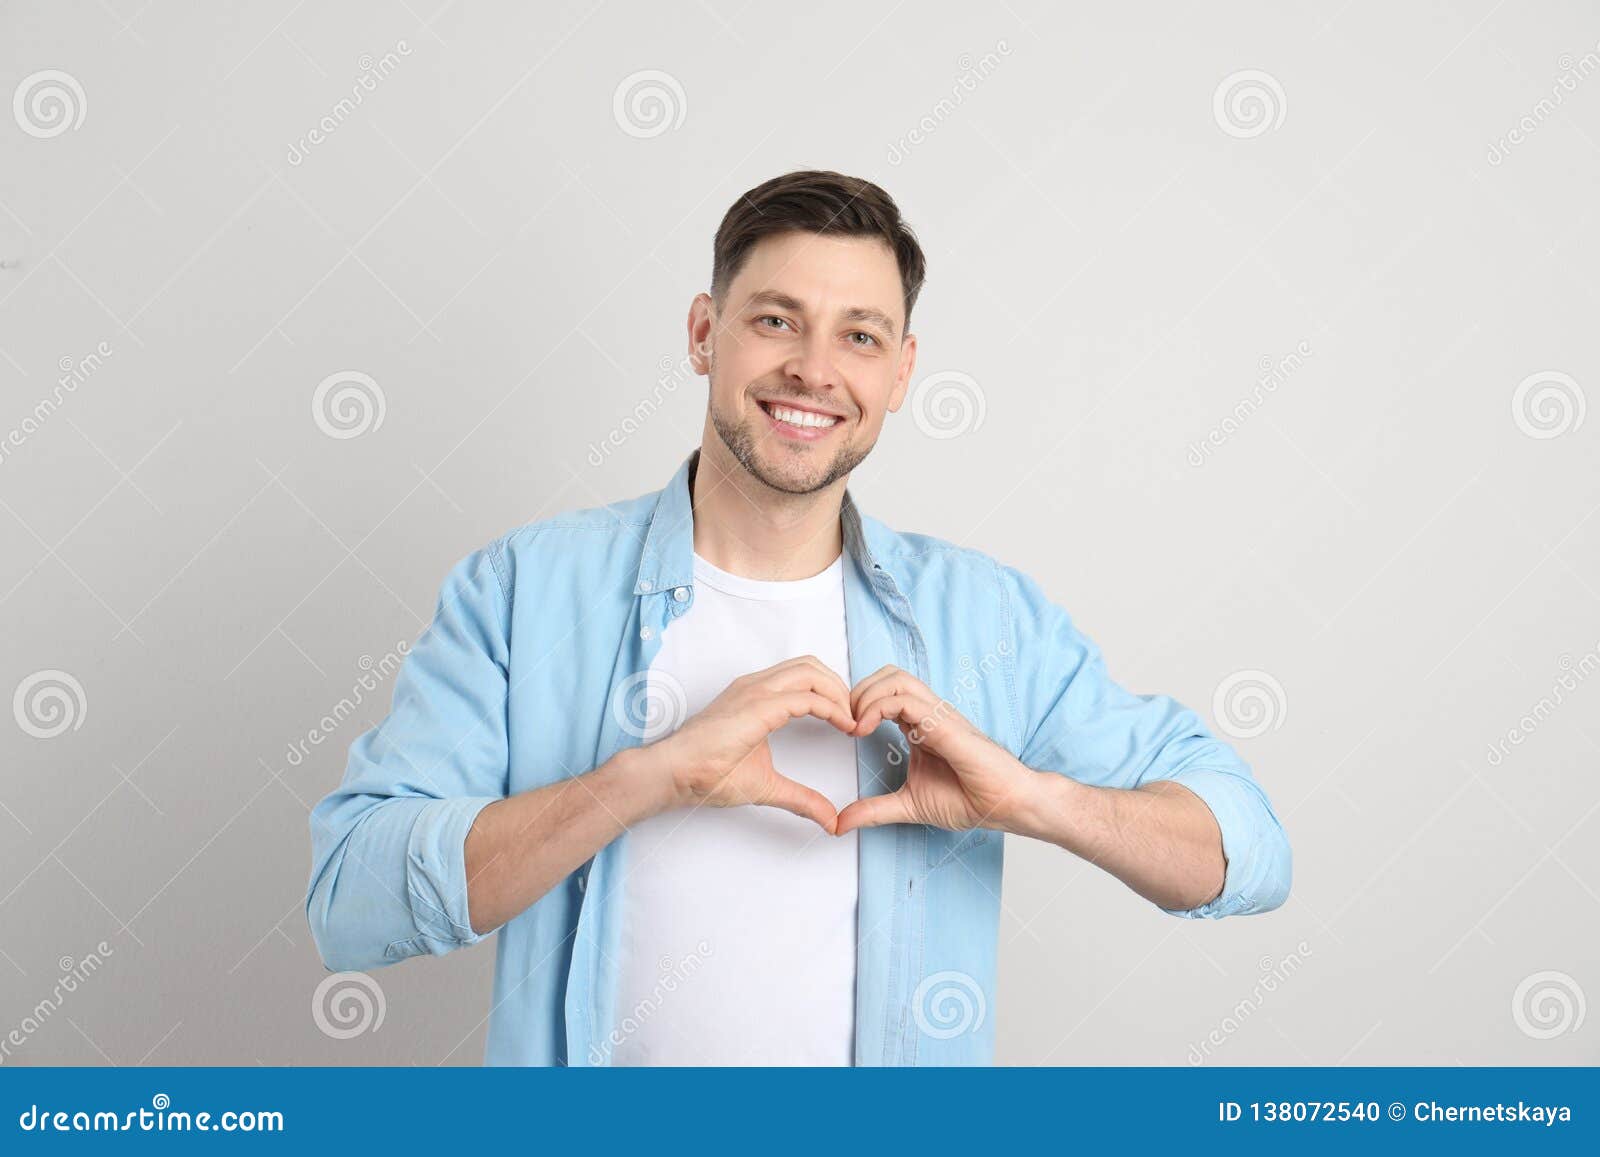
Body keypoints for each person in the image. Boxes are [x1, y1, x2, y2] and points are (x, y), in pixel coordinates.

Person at [305, 169, 1292, 1067]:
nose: (815, 371)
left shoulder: (986, 618)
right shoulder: (524, 589)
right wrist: (645, 778)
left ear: (900, 372)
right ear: (704, 332)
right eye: (777, 320)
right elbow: (351, 899)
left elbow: (1244, 849)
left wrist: (1030, 799)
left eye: (859, 336)